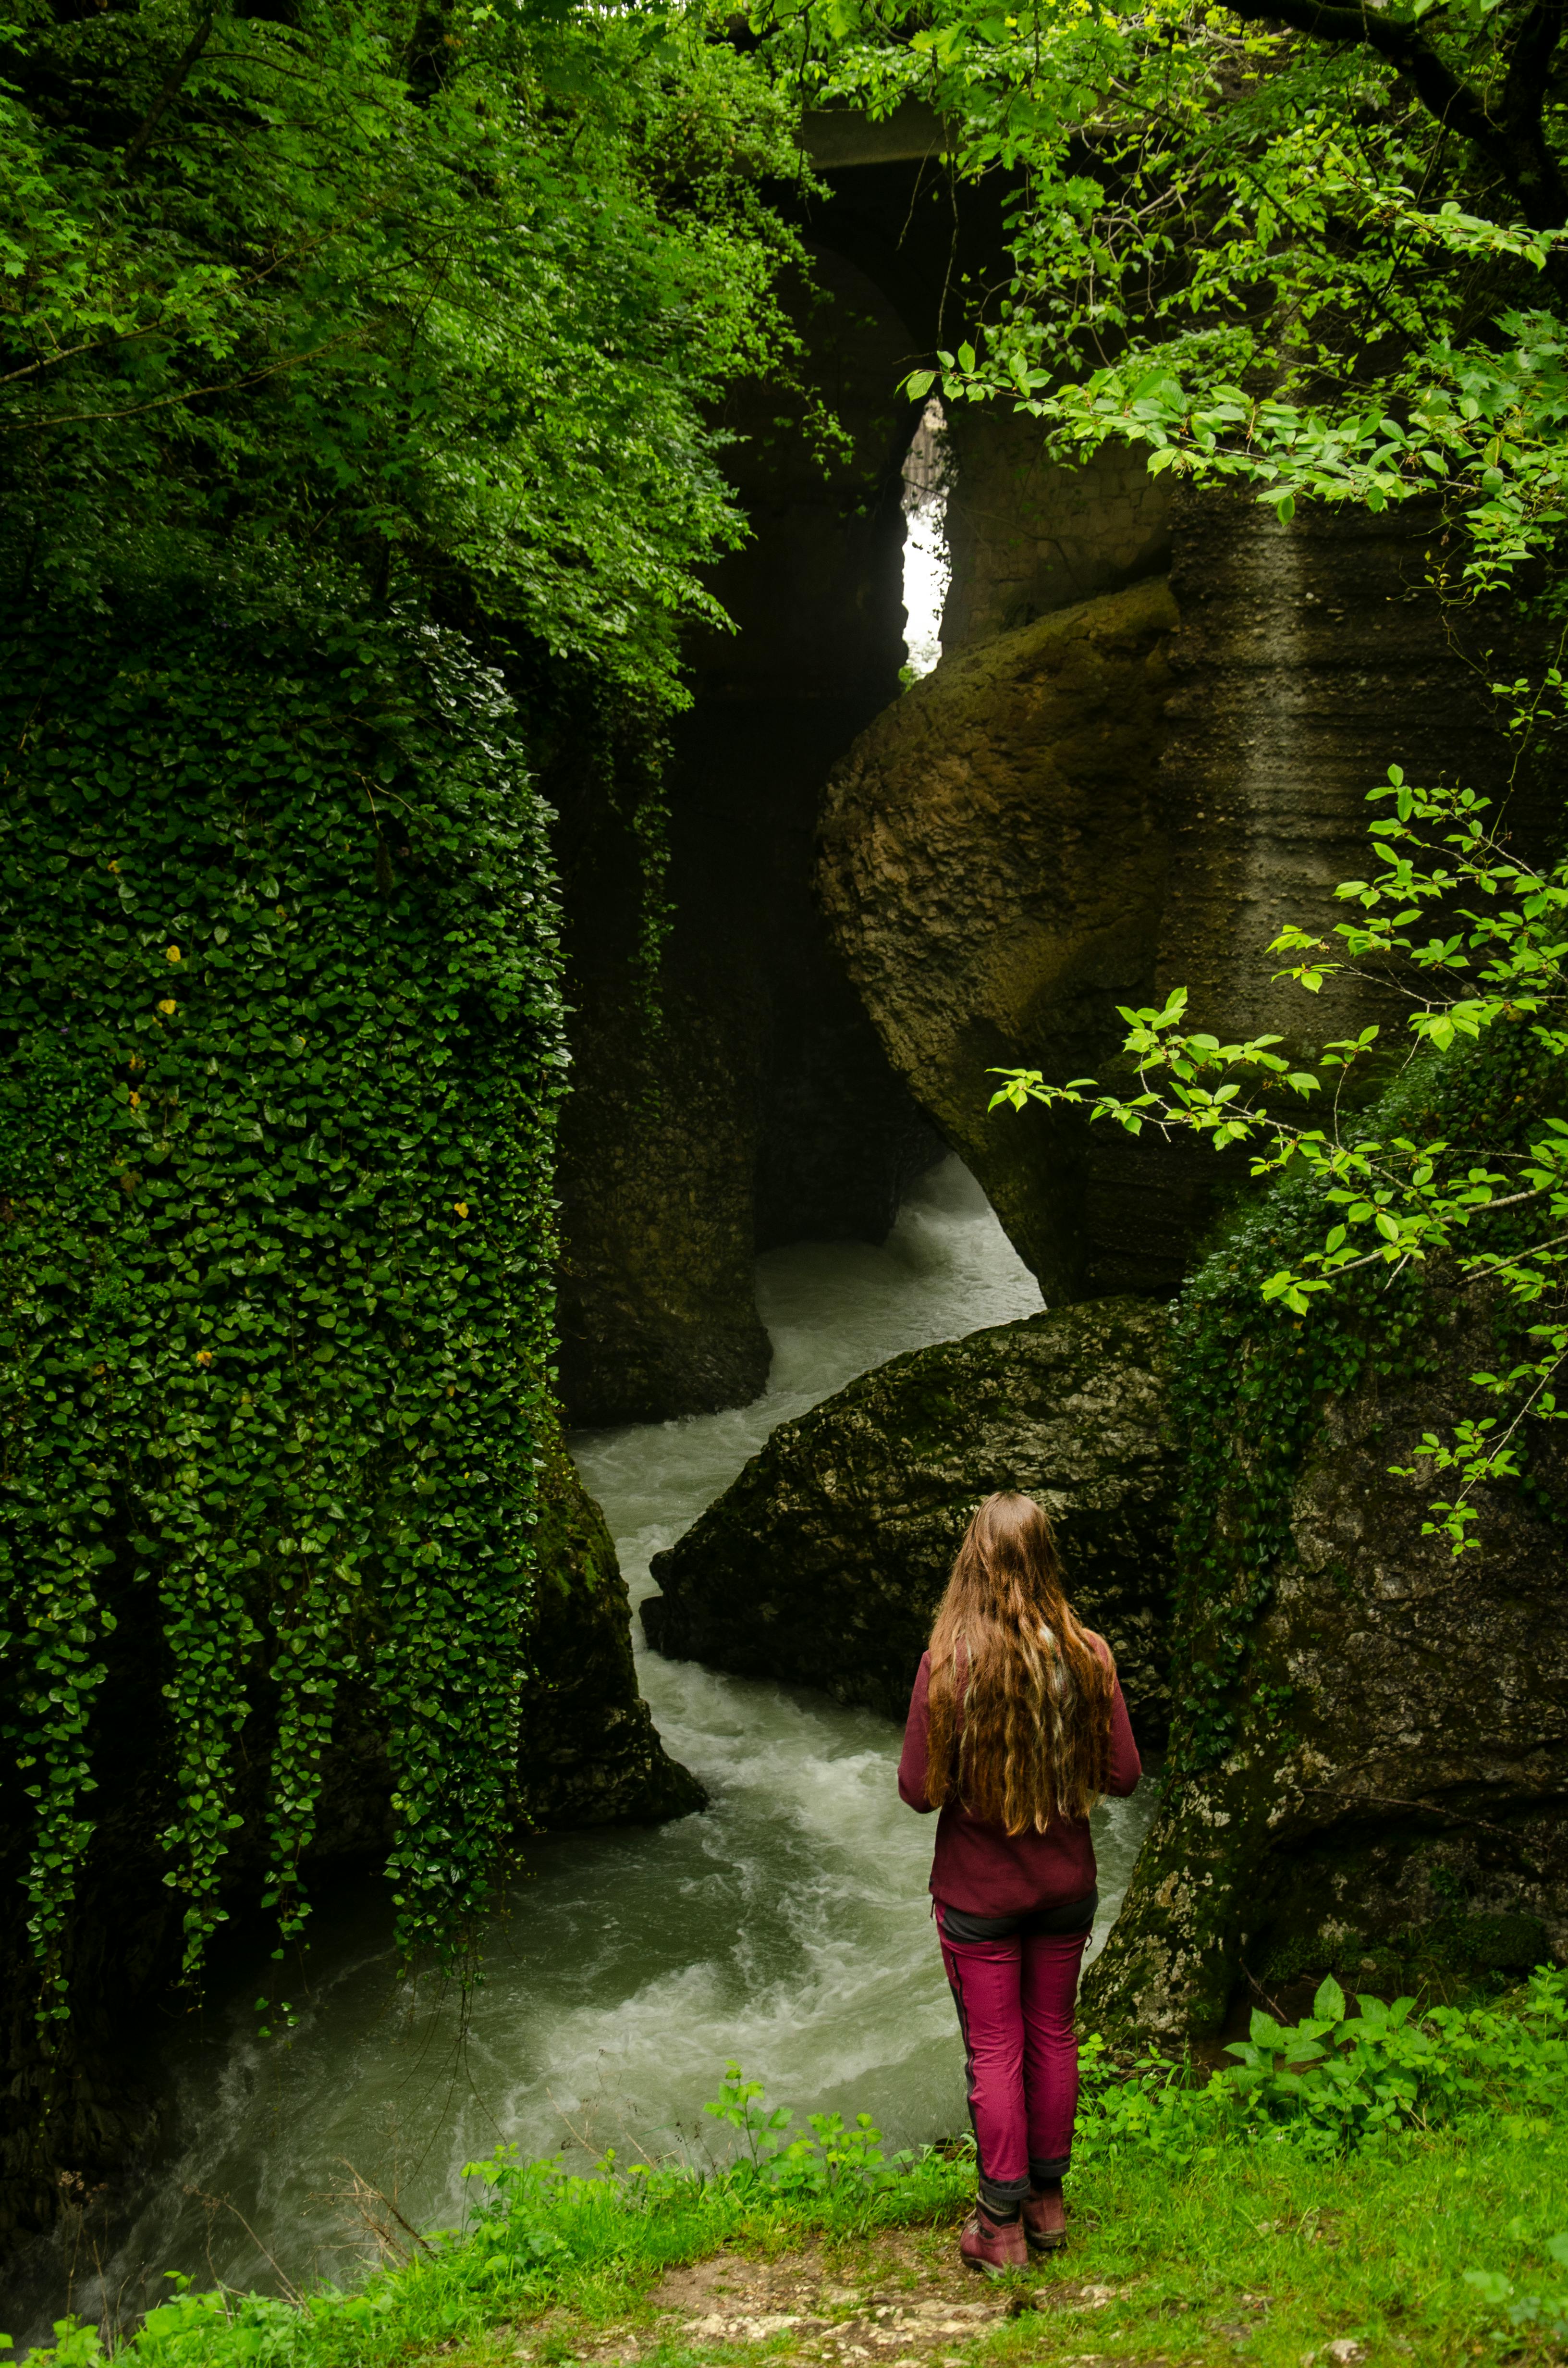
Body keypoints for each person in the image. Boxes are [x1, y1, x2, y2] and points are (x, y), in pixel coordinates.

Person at [898, 1490, 1141, 2275]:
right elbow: (1126, 1777)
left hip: (979, 1898)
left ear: (974, 1563)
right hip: (1066, 1886)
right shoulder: (1089, 1654)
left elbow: (918, 1791)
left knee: (997, 2049)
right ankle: (1048, 2205)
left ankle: (998, 2227)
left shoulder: (949, 1667)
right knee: (1053, 2036)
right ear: (1046, 1562)